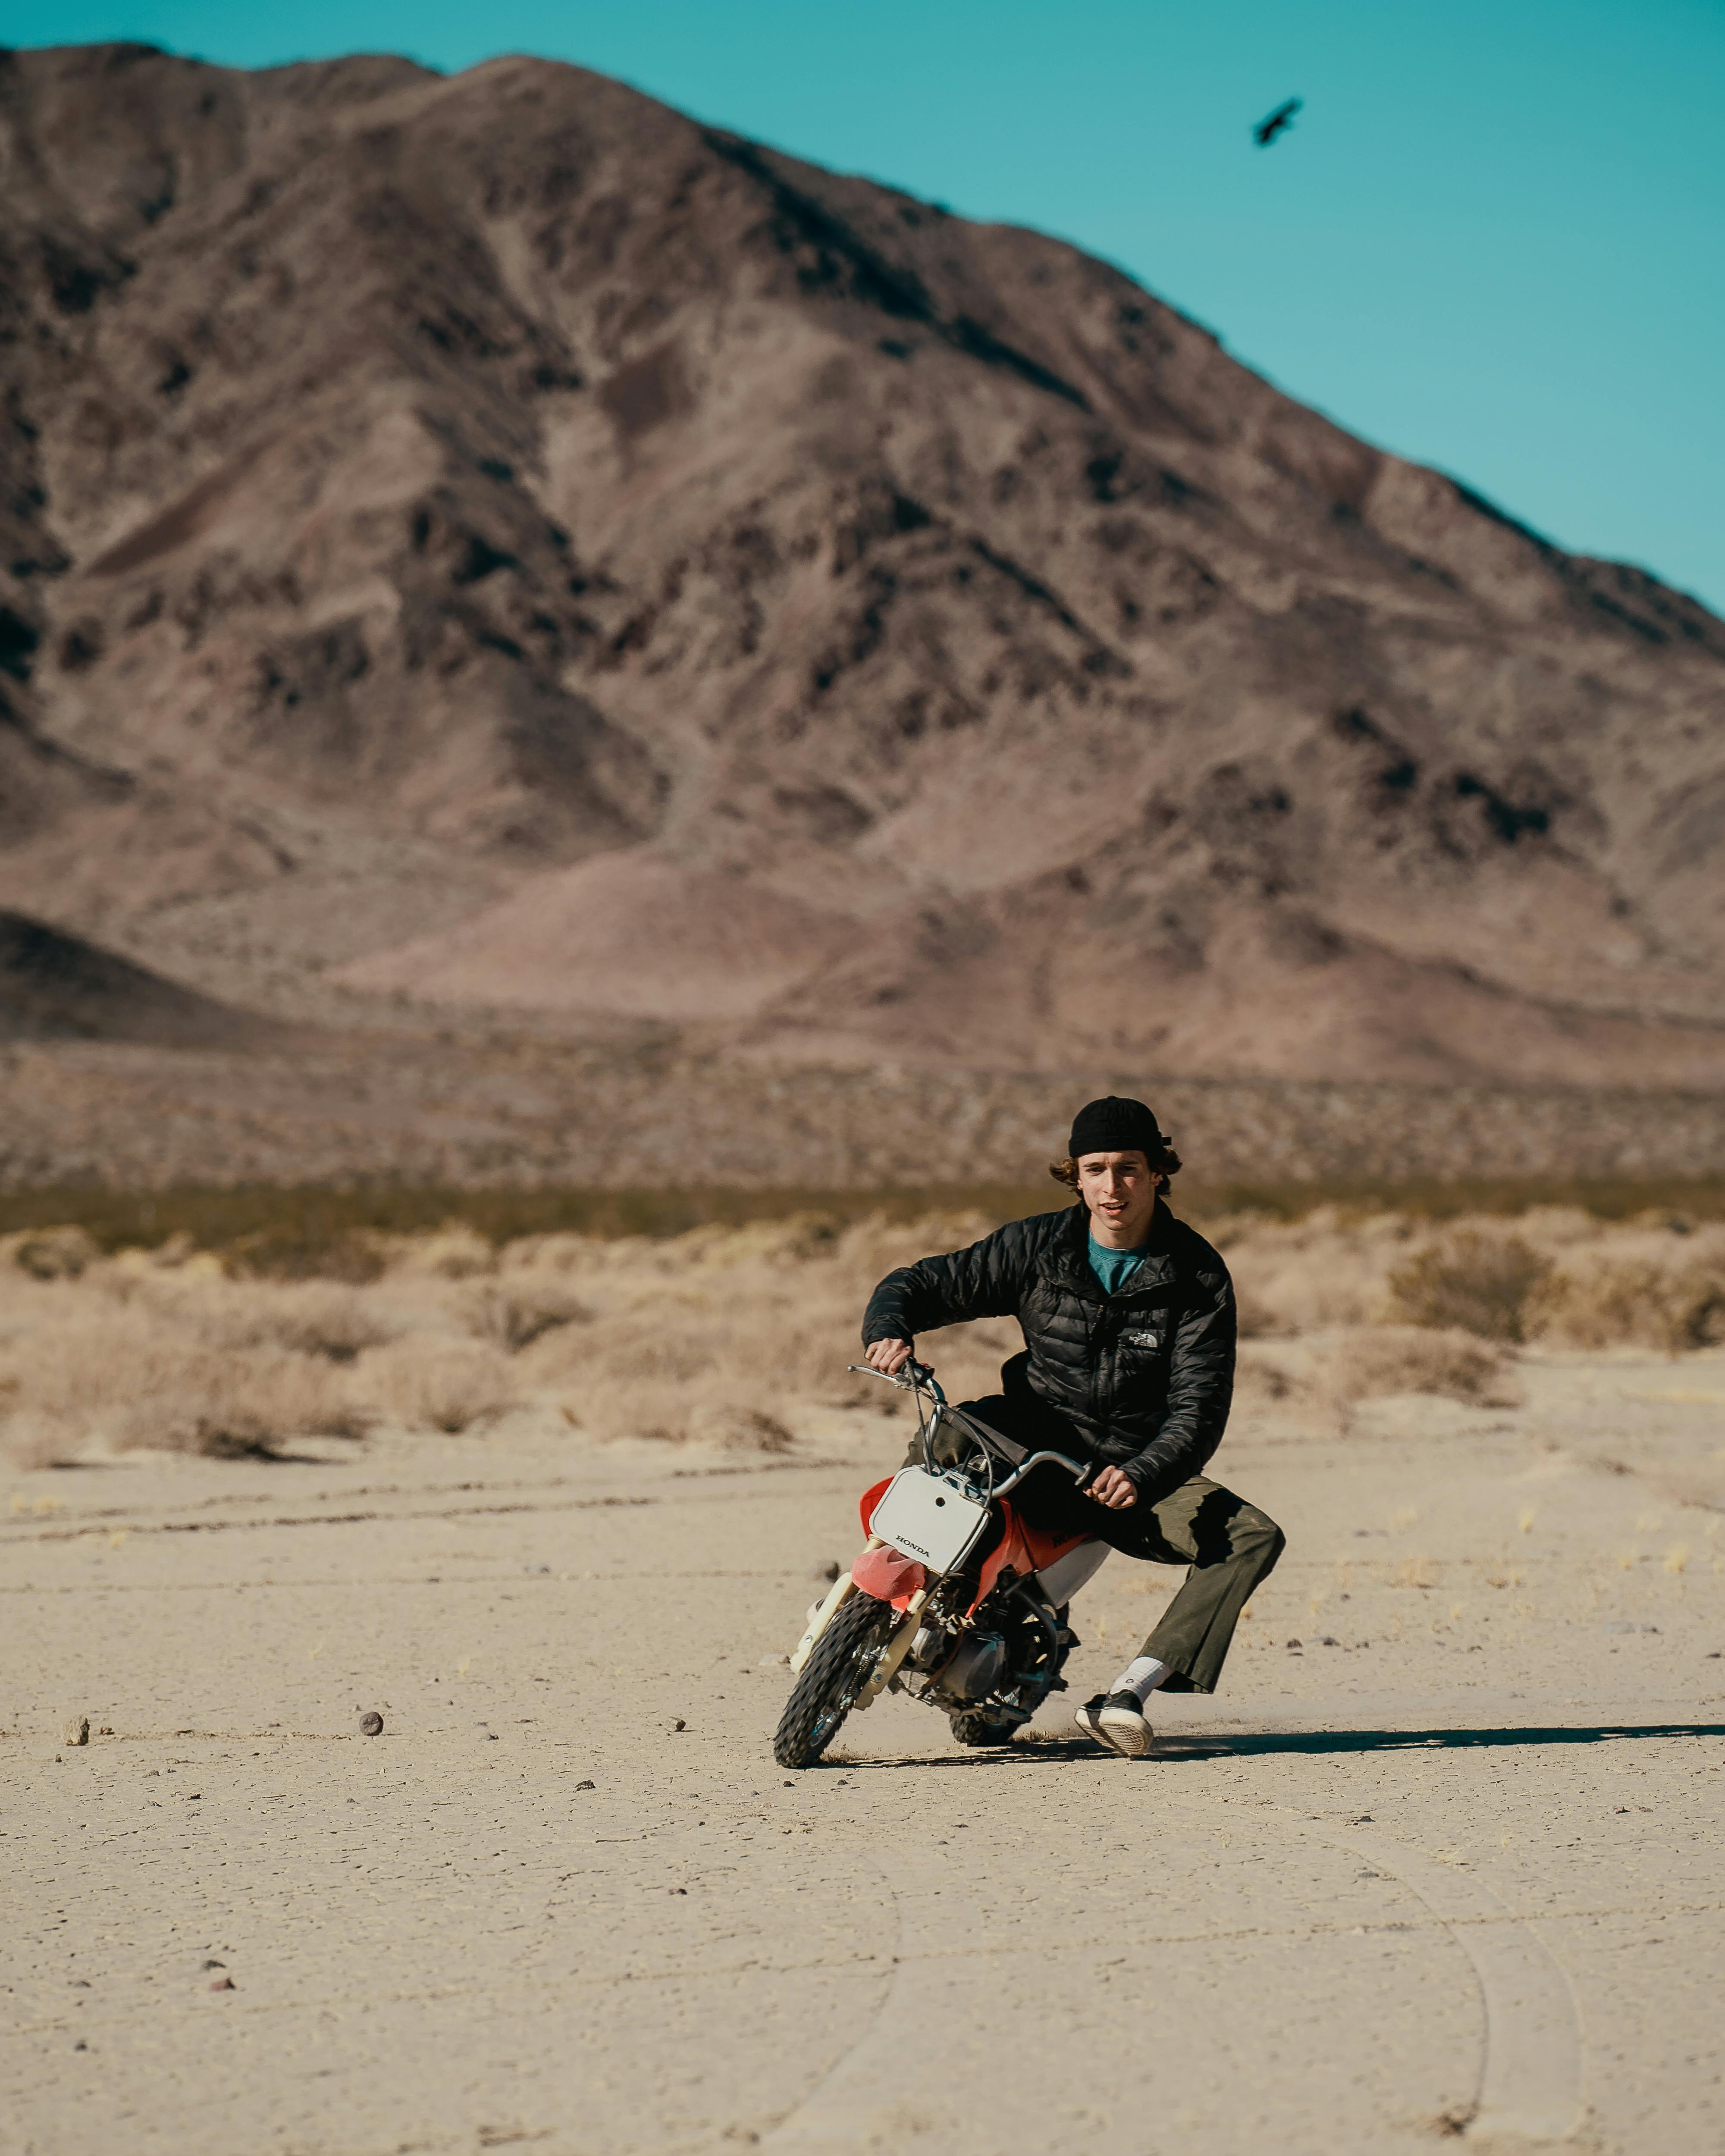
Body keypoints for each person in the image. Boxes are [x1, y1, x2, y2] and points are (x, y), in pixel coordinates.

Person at [861, 1094, 1284, 1759]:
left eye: (1128, 1169)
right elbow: (923, 1283)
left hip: (1125, 1472)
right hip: (1029, 1436)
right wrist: (889, 1331)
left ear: (1157, 1172)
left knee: (1252, 1538)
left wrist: (1143, 1472)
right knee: (948, 1431)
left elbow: (1199, 1408)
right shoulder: (1038, 1247)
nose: (1111, 1187)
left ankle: (1125, 1696)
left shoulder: (1198, 1277)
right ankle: (887, 1590)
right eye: (1096, 1169)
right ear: (1076, 1176)